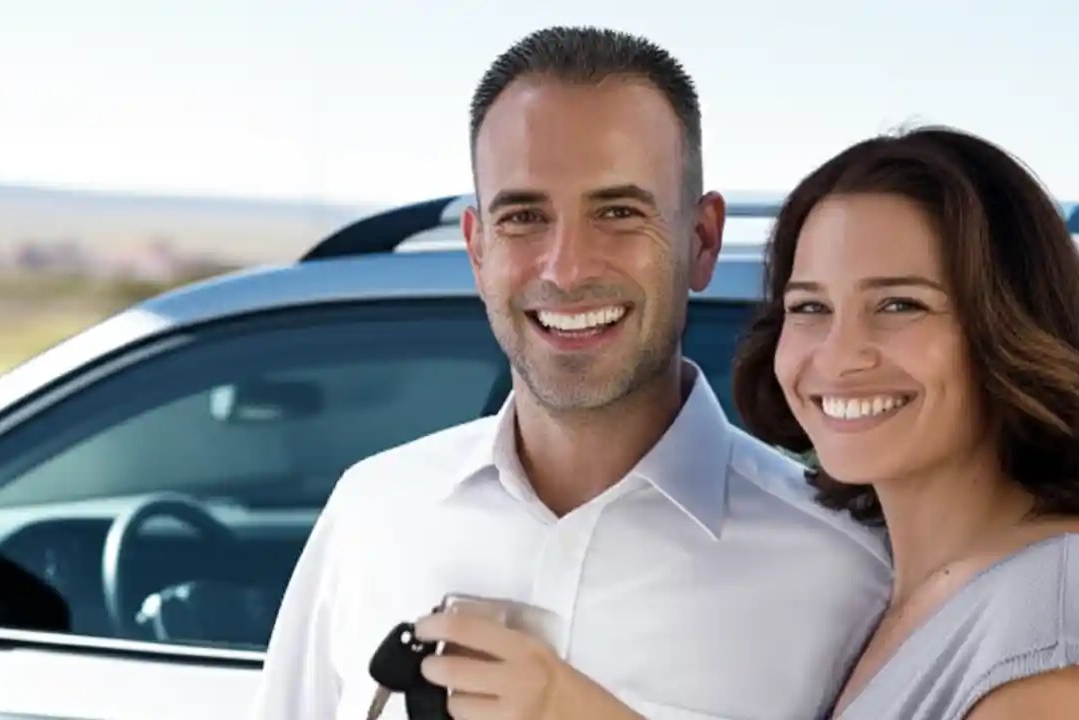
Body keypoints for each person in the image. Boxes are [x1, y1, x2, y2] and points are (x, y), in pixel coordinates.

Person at [248, 26, 892, 720]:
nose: (567, 269)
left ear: (702, 240)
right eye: (524, 216)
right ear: (477, 247)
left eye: (617, 212)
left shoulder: (849, 573)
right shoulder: (370, 514)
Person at [731, 126, 1079, 719]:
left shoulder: (1049, 625)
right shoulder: (874, 584)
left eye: (899, 305)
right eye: (810, 307)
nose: (840, 357)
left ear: (1007, 328)